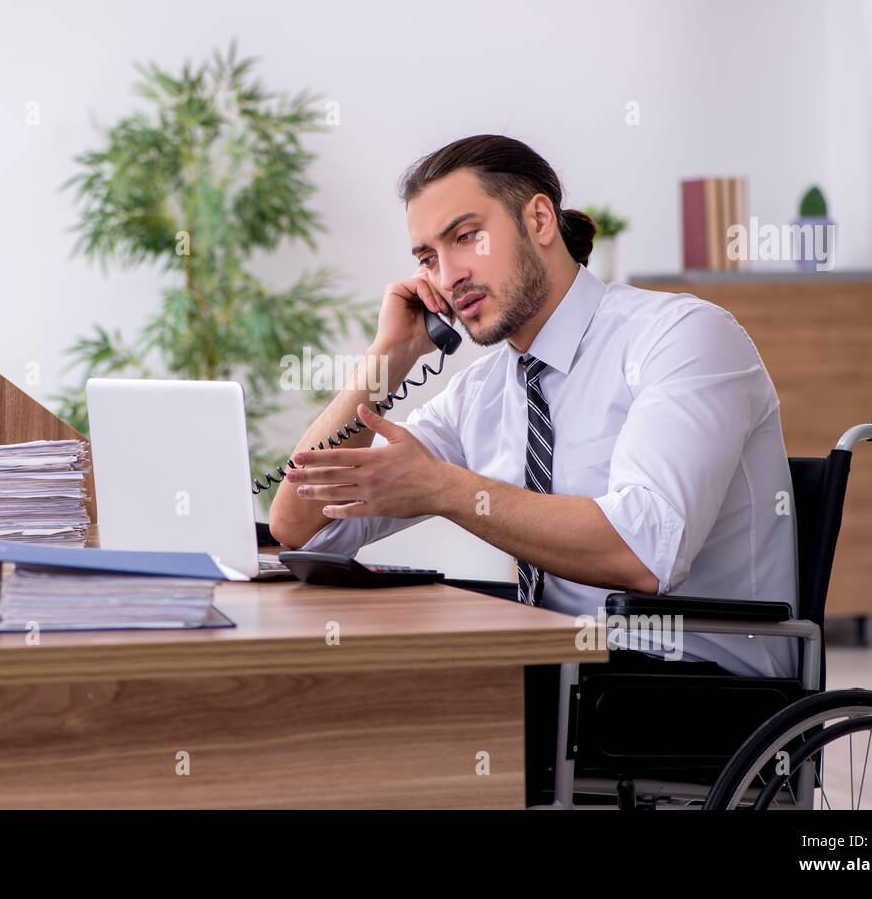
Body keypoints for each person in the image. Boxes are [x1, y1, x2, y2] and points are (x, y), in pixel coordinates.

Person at [267, 134, 797, 678]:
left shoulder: (682, 337)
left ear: (540, 220)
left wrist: (442, 488)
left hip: (691, 682)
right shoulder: (482, 392)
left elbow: (643, 556)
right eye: (428, 258)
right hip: (557, 668)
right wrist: (390, 354)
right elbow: (301, 526)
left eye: (466, 237)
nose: (448, 277)